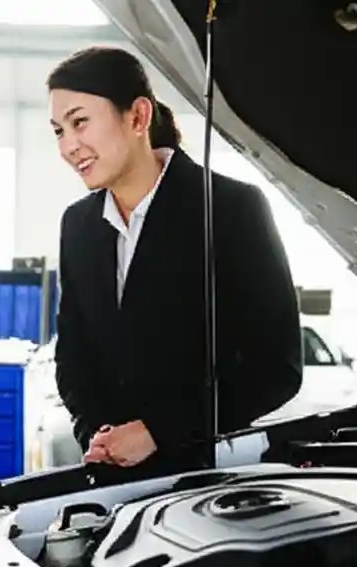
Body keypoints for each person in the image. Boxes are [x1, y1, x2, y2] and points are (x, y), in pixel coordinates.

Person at [48, 47, 302, 474]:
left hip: (205, 474)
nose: (69, 146)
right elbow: (75, 355)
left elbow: (277, 368)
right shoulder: (78, 224)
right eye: (58, 131)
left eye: (80, 122)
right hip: (109, 475)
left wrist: (156, 431)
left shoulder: (230, 208)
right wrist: (97, 434)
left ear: (137, 117)